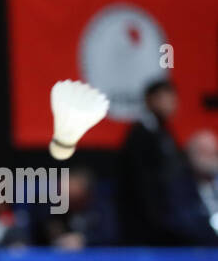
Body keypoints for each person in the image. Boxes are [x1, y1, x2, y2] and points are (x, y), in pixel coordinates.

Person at [117, 78, 187, 245]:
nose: (172, 103)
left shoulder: (164, 131)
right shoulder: (141, 133)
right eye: (165, 98)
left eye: (173, 98)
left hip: (168, 215)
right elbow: (142, 181)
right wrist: (157, 220)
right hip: (146, 222)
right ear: (150, 100)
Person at [41, 166, 117, 249]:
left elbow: (110, 237)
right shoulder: (54, 208)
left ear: (84, 189)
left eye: (70, 186)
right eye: (61, 187)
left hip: (95, 257)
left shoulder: (102, 209)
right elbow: (43, 238)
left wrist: (84, 240)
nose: (62, 190)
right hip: (60, 258)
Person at [164, 129, 218, 245]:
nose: (209, 158)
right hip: (196, 251)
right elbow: (181, 224)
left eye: (213, 153)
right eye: (203, 152)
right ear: (190, 155)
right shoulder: (178, 187)